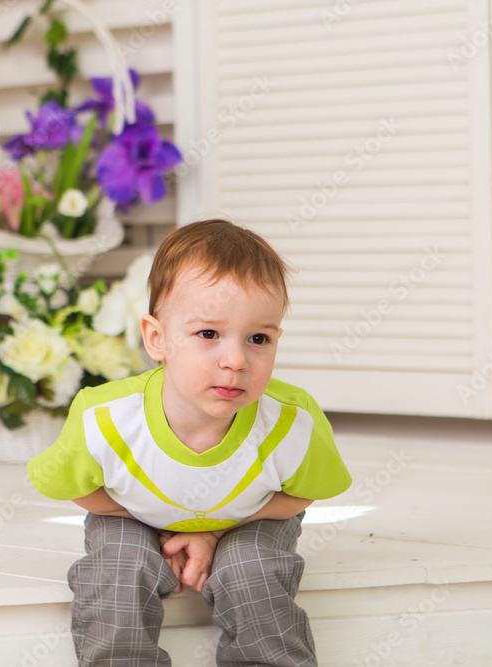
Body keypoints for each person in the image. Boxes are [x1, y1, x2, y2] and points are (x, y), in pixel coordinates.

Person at [27, 218, 352, 666]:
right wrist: (161, 520)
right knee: (116, 571)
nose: (235, 360)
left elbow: (305, 491)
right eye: (208, 334)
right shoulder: (106, 418)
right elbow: (70, 484)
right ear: (157, 338)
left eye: (259, 338)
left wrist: (217, 528)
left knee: (251, 570)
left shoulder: (290, 421)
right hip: (135, 516)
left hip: (248, 516)